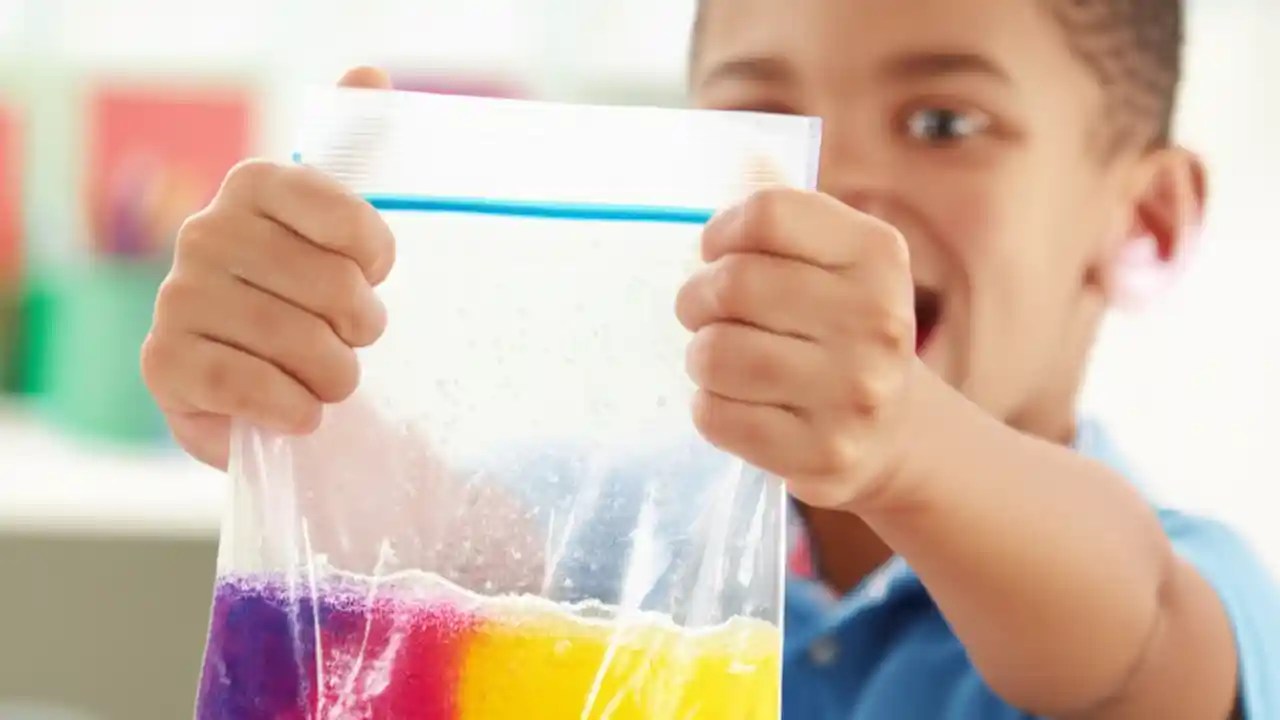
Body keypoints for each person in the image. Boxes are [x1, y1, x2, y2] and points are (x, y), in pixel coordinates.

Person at [142, 0, 1280, 716]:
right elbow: (428, 549)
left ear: (1146, 225)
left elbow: (1132, 651)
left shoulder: (1179, 585)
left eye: (943, 123)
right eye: (755, 125)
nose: (828, 189)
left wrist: (905, 444)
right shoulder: (601, 527)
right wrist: (287, 389)